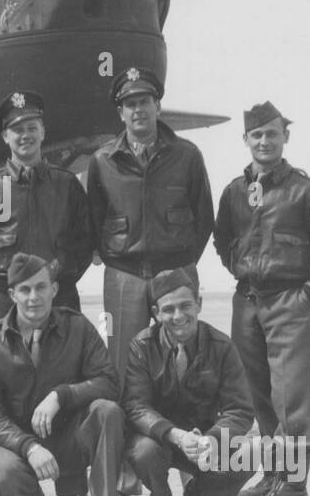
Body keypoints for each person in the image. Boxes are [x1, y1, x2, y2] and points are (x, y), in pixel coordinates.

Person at [213, 101, 310, 496]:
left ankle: (293, 488)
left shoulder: (305, 191)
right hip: (248, 302)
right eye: (257, 135)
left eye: (272, 133)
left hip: (291, 301)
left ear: (285, 136)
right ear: (246, 141)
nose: (265, 141)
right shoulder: (236, 191)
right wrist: (243, 271)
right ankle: (273, 476)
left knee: (294, 398)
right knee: (261, 398)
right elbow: (223, 240)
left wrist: (308, 295)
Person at [0, 91, 93, 496]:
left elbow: (83, 240)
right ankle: (5, 487)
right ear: (5, 137)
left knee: (69, 381)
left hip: (59, 297)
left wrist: (57, 278)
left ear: (43, 132)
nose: (25, 135)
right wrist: (2, 285)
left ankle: (76, 482)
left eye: (32, 127)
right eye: (16, 129)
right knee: (4, 385)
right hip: (5, 302)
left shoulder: (66, 185)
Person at [0, 253, 129, 496]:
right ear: (11, 294)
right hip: (18, 441)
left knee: (108, 411)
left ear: (54, 290)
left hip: (69, 435)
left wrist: (61, 395)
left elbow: (109, 383)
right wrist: (29, 446)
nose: (34, 297)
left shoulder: (78, 328)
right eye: (25, 290)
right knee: (2, 471)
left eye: (41, 288)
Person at [87, 67, 214, 393]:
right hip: (123, 276)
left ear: (157, 106)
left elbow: (204, 217)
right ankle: (128, 433)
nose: (138, 110)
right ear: (121, 113)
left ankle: (186, 430)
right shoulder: (102, 161)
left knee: (184, 353)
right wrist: (117, 260)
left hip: (174, 270)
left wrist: (182, 262)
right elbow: (93, 220)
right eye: (130, 104)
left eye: (145, 101)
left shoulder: (187, 155)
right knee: (121, 357)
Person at [123, 267, 255, 496]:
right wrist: (176, 435)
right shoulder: (142, 346)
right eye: (168, 309)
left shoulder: (221, 346)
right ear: (156, 313)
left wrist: (213, 438)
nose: (178, 316)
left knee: (252, 452)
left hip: (205, 440)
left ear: (199, 305)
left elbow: (239, 409)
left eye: (186, 306)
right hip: (160, 439)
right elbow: (136, 406)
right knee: (143, 452)